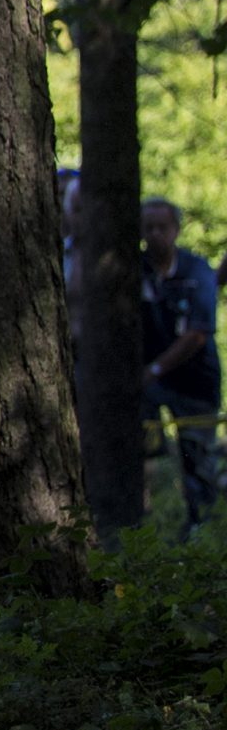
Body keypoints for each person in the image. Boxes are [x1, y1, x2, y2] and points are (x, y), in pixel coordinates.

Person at [140, 197, 220, 529]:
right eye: (149, 228)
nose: (156, 234)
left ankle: (203, 530)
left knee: (198, 459)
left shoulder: (197, 270)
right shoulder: (134, 271)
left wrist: (155, 369)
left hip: (194, 383)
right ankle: (140, 528)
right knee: (139, 452)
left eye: (162, 227)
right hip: (147, 384)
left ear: (176, 229)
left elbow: (198, 333)